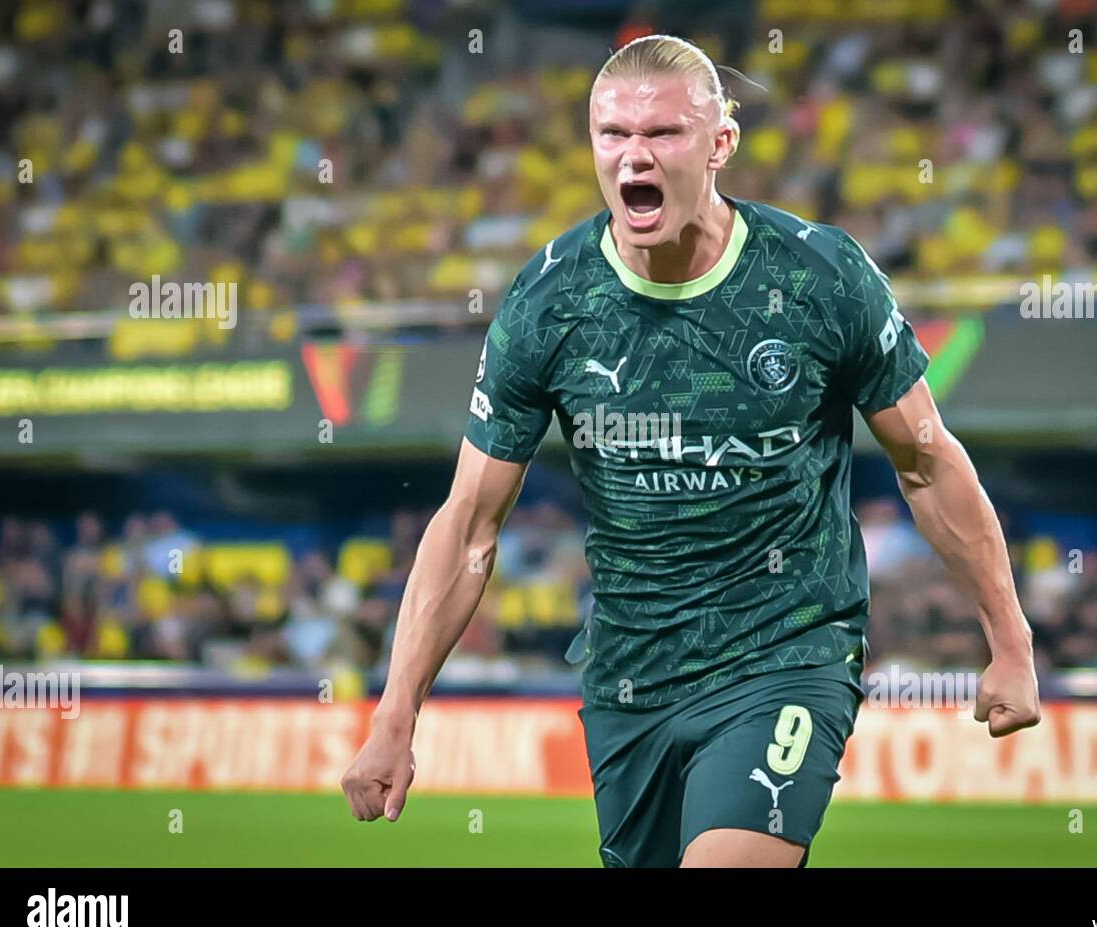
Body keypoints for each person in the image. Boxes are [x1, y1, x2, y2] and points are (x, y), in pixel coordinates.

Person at [342, 34, 1040, 867]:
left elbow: (926, 462)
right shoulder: (549, 301)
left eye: (663, 134)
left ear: (721, 144)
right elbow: (468, 530)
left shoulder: (818, 279)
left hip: (789, 653)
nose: (635, 155)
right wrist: (395, 714)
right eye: (613, 135)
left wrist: (1010, 641)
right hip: (630, 679)